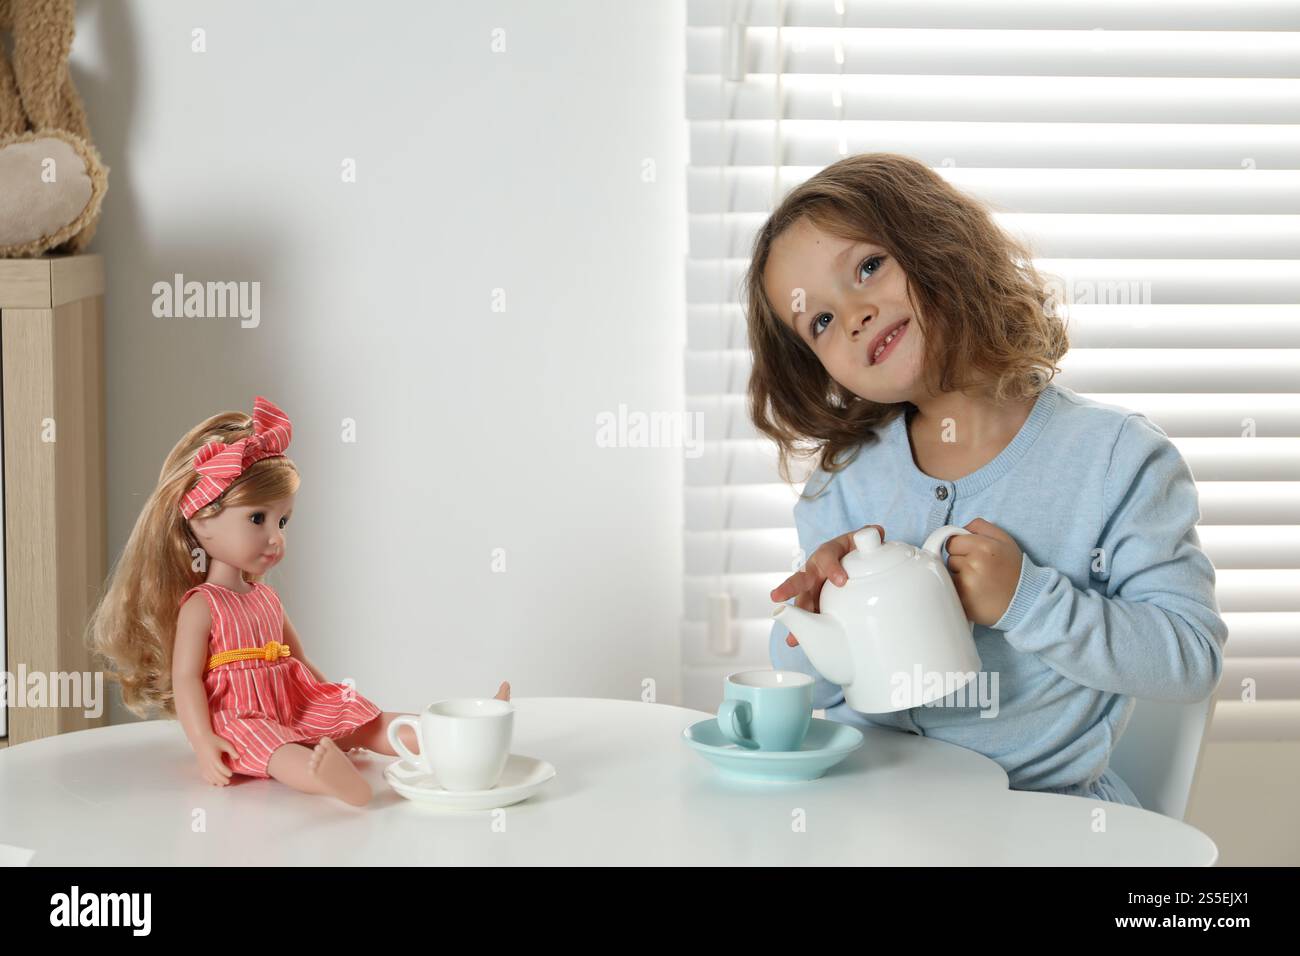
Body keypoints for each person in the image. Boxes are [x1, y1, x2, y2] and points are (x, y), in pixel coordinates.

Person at [746, 153, 1227, 808]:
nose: (854, 312)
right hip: (871, 814)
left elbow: (1189, 659)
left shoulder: (1114, 459)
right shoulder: (843, 486)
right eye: (820, 321)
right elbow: (820, 688)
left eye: (867, 267)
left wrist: (1028, 602)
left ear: (939, 244)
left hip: (1043, 820)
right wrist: (812, 616)